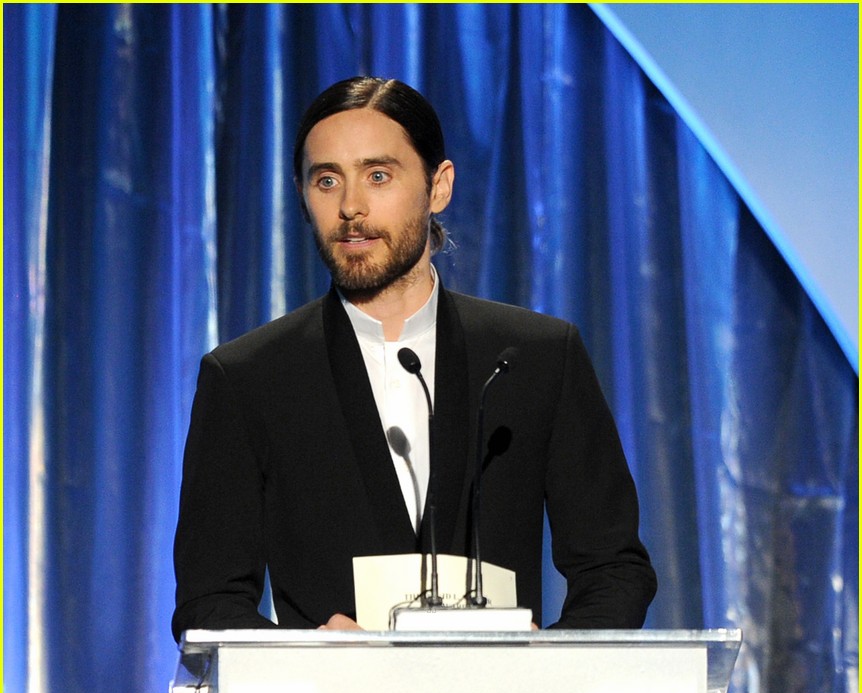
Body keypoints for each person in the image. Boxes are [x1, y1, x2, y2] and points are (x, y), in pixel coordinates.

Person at [172, 77, 656, 641]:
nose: (350, 207)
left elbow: (614, 570)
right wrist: (304, 654)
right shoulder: (249, 378)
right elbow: (209, 603)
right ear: (303, 196)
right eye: (327, 180)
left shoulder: (538, 358)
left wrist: (544, 668)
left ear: (438, 186)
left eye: (378, 176)